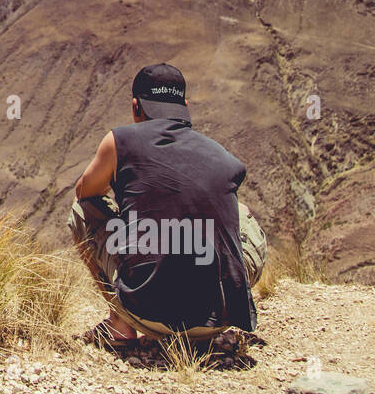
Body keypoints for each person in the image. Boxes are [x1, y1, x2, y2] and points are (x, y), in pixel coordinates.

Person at [68, 63, 267, 348]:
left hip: (146, 314)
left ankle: (120, 324)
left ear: (136, 106)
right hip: (220, 320)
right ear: (184, 106)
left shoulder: (120, 142)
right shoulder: (221, 156)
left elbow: (85, 191)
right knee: (241, 213)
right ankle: (216, 310)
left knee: (82, 209)